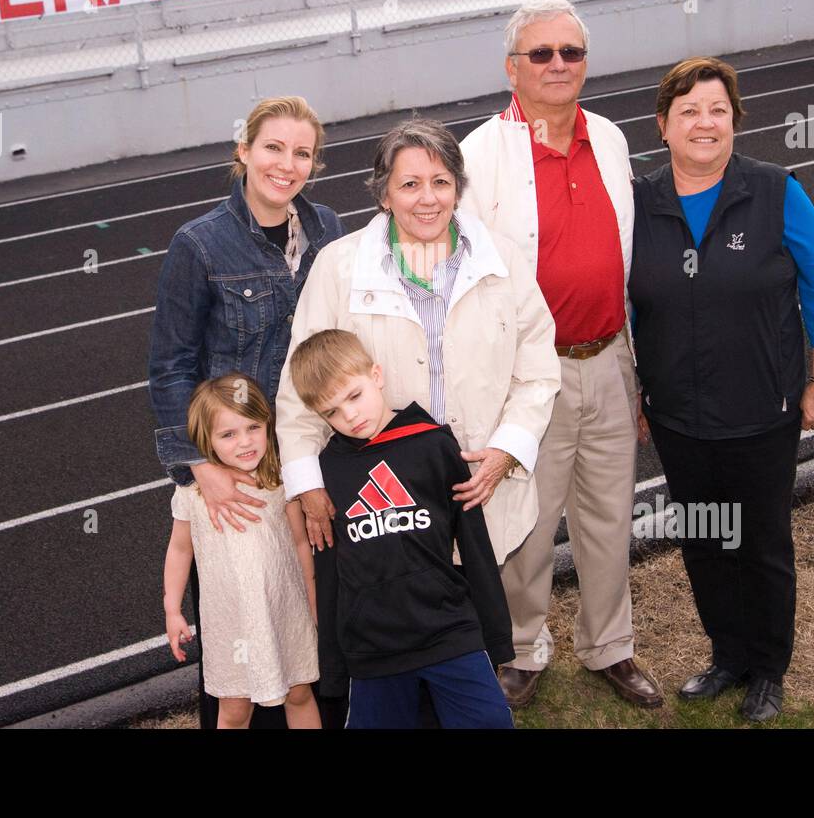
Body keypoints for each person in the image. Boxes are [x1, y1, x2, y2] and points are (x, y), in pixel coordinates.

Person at [630, 56, 814, 722]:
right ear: (664, 124)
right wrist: (641, 391)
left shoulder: (779, 191)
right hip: (678, 417)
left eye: (717, 110)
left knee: (760, 543)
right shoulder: (639, 203)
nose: (704, 123)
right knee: (704, 540)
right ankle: (727, 655)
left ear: (734, 121)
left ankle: (767, 669)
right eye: (689, 111)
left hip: (763, 411)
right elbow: (629, 307)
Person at [458, 0, 662, 710]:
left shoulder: (607, 137)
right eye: (540, 54)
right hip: (528, 375)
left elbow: (626, 258)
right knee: (526, 524)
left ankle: (610, 647)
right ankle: (521, 649)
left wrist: (632, 370)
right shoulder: (478, 155)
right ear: (512, 67)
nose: (556, 65)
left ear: (585, 64)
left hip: (608, 358)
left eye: (569, 53)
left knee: (610, 516)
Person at [274, 118, 559, 588]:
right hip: (386, 502)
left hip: (483, 484)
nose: (428, 198)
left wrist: (507, 451)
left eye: (441, 182)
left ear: (458, 189)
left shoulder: (502, 258)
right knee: (409, 622)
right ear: (384, 194)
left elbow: (538, 371)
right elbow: (301, 382)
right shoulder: (339, 267)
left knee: (488, 615)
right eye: (410, 184)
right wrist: (307, 481)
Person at [148, 95, 341, 729]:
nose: (287, 164)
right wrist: (198, 464)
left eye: (302, 152)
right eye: (273, 148)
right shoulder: (199, 245)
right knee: (238, 615)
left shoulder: (329, 231)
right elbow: (171, 366)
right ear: (244, 152)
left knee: (312, 612)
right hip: (238, 463)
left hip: (312, 454)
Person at [288, 329, 515, 728]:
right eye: (332, 413)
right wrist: (335, 662)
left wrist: (495, 635)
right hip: (374, 649)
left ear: (376, 375)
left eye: (354, 396)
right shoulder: (328, 472)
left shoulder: (434, 445)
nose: (350, 417)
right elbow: (329, 573)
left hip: (448, 631)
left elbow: (474, 542)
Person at [162, 373, 320, 728]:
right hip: (229, 622)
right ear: (207, 439)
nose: (245, 442)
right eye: (228, 434)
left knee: (299, 693)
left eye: (253, 427)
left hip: (285, 610)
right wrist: (172, 610)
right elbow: (179, 550)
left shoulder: (279, 478)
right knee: (234, 709)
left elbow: (299, 542)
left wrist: (314, 604)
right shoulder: (193, 494)